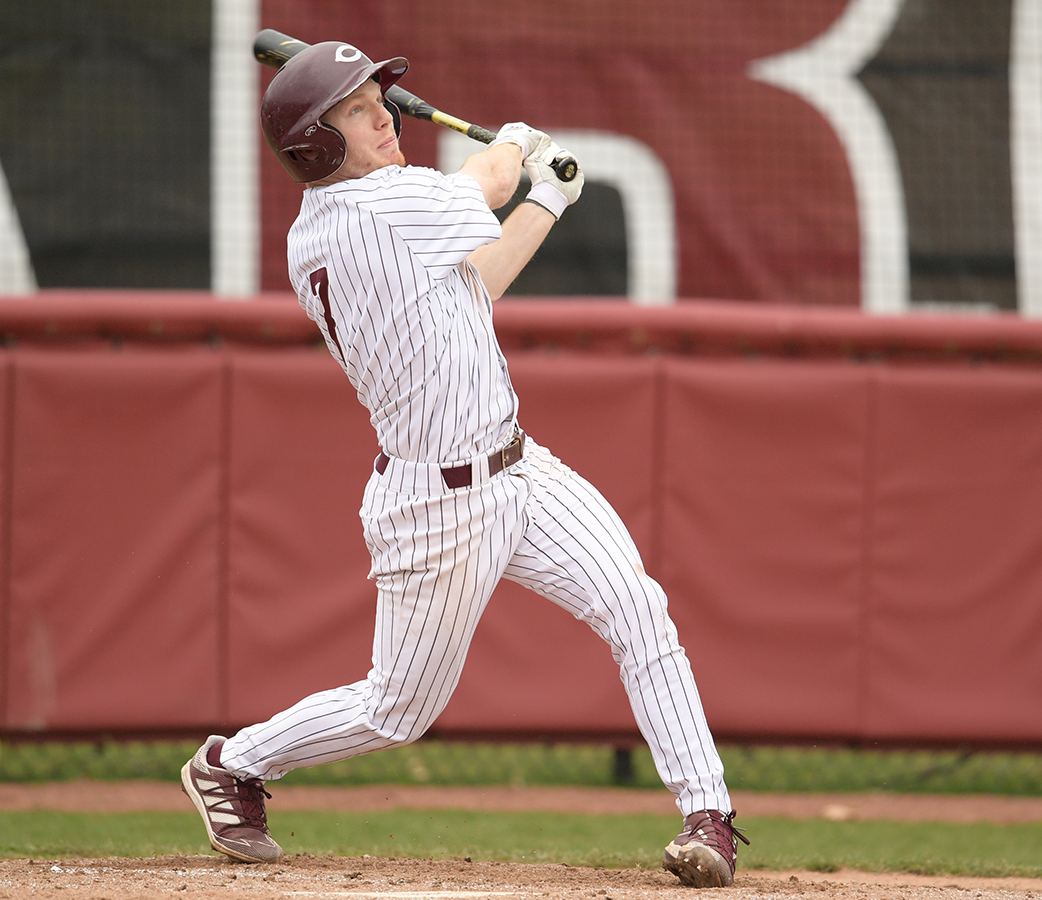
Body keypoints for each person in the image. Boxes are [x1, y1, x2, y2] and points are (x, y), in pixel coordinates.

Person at [181, 40, 748, 888]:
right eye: (359, 112)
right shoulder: (369, 209)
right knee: (396, 710)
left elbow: (472, 284)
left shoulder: (373, 215)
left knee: (638, 609)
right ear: (318, 145)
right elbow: (482, 184)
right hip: (436, 502)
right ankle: (235, 761)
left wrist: (547, 201)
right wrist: (517, 146)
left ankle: (709, 817)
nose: (384, 118)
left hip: (520, 468)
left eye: (381, 102)